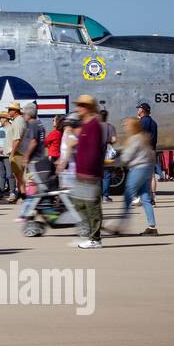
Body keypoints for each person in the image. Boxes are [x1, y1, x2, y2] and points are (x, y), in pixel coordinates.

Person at [70, 95, 106, 249]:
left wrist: (89, 172)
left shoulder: (94, 125)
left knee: (92, 207)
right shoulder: (86, 125)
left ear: (89, 108)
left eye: (81, 105)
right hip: (82, 173)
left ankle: (95, 239)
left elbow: (93, 151)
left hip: (90, 174)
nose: (78, 108)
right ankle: (89, 233)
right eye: (78, 105)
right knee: (78, 204)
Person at [112, 117, 158, 235]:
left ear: (132, 126)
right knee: (145, 198)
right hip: (146, 169)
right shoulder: (143, 138)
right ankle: (152, 227)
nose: (125, 127)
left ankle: (121, 226)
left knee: (128, 197)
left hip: (138, 170)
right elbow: (151, 155)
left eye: (126, 125)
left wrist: (112, 162)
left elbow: (127, 157)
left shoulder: (135, 139)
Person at [6, 102, 27, 198]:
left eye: (10, 109)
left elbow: (17, 139)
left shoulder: (18, 121)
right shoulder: (17, 120)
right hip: (17, 152)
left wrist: (12, 154)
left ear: (15, 111)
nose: (8, 111)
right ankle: (22, 195)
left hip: (18, 153)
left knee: (19, 177)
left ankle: (23, 196)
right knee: (18, 176)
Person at [0, 110, 13, 200]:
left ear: (6, 118)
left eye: (1, 118)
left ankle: (12, 192)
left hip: (7, 154)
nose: (0, 120)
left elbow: (13, 142)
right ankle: (1, 191)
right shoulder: (0, 129)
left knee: (9, 174)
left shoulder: (11, 128)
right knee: (2, 174)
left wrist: (5, 148)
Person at [98, 108, 117, 201]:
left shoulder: (95, 127)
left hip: (96, 154)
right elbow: (114, 140)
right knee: (106, 175)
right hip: (107, 155)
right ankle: (105, 196)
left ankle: (97, 196)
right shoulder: (110, 127)